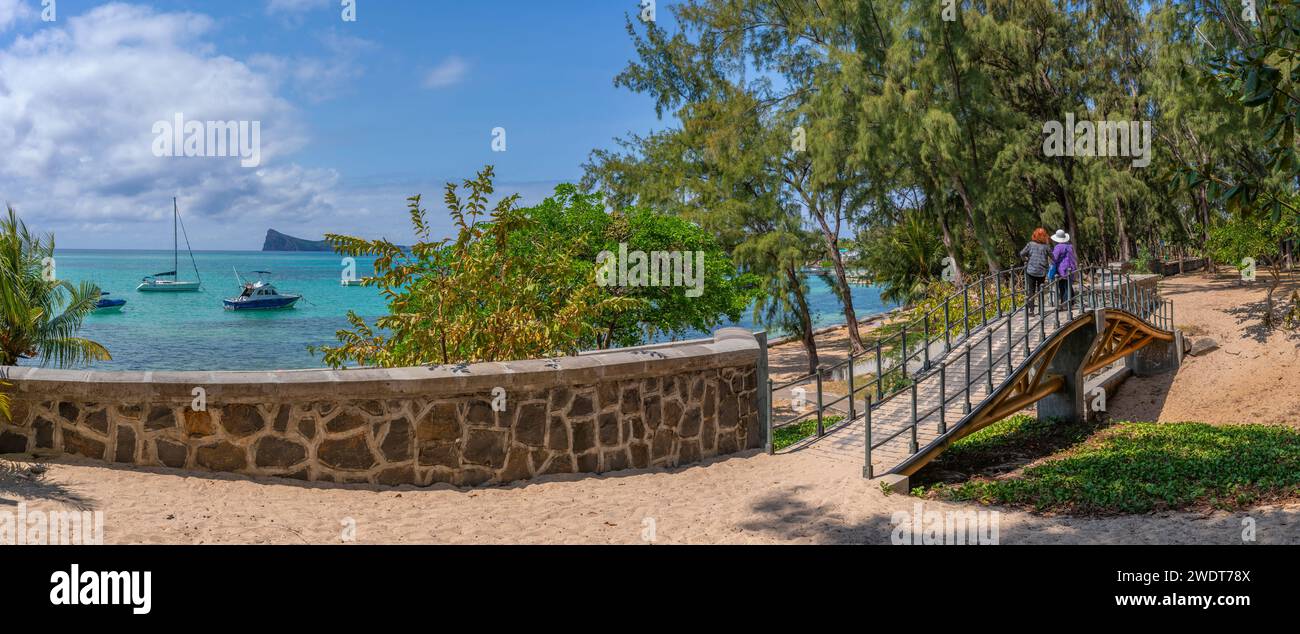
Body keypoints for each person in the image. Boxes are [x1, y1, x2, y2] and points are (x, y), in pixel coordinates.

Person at [1019, 228, 1052, 314]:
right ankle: (1041, 310)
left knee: (1031, 290)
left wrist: (1025, 260)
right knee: (1040, 290)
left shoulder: (1030, 244)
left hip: (1031, 271)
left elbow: (1022, 253)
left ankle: (1031, 310)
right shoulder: (1046, 247)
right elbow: (1053, 257)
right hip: (1041, 272)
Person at [1050, 229, 1077, 309]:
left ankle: (1065, 303)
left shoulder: (1058, 247)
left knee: (1063, 287)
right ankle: (1070, 302)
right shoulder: (1070, 246)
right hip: (1071, 268)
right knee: (1068, 285)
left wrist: (1051, 267)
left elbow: (1054, 258)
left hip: (1062, 269)